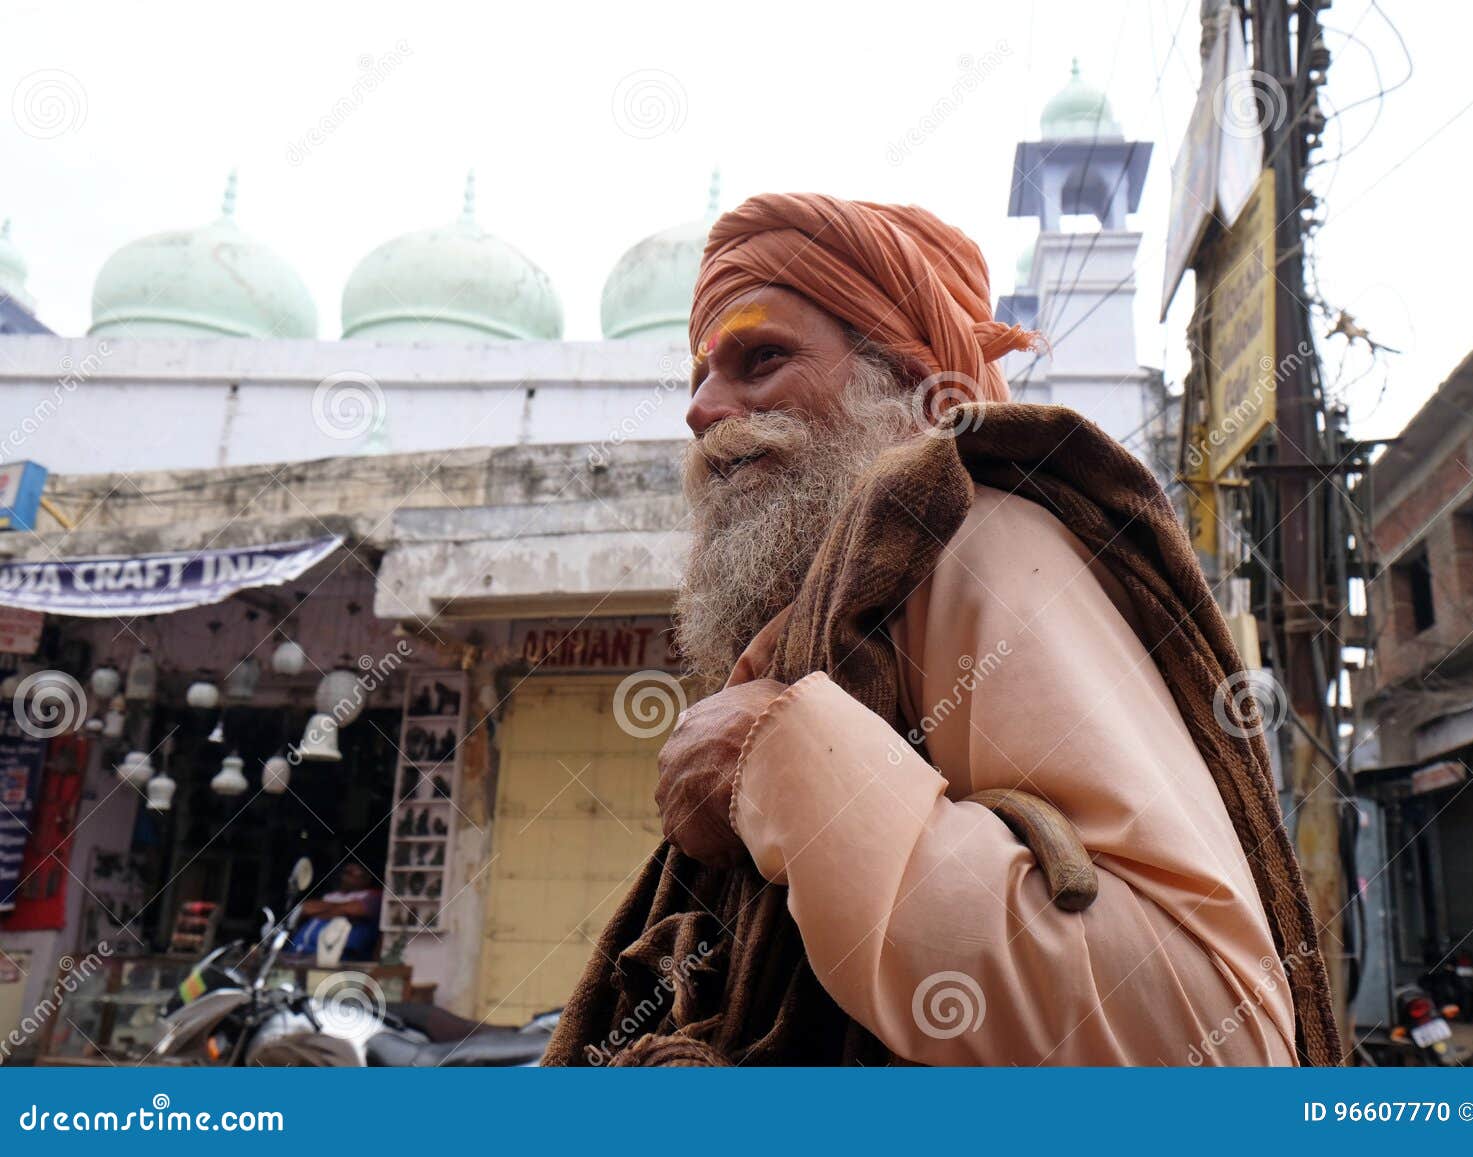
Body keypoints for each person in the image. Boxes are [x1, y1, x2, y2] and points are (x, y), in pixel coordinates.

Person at [554, 193, 1335, 1067]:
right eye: (700, 373)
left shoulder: (979, 542)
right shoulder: (837, 611)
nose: (702, 408)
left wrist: (772, 758)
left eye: (761, 357)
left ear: (915, 388)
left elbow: (1210, 1040)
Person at [291, 861, 382, 962]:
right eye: (346, 872)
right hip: (301, 952)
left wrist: (323, 911)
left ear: (367, 877)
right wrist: (340, 909)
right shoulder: (331, 895)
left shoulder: (373, 895)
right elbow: (306, 908)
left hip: (342, 955)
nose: (347, 875)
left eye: (353, 872)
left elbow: (357, 909)